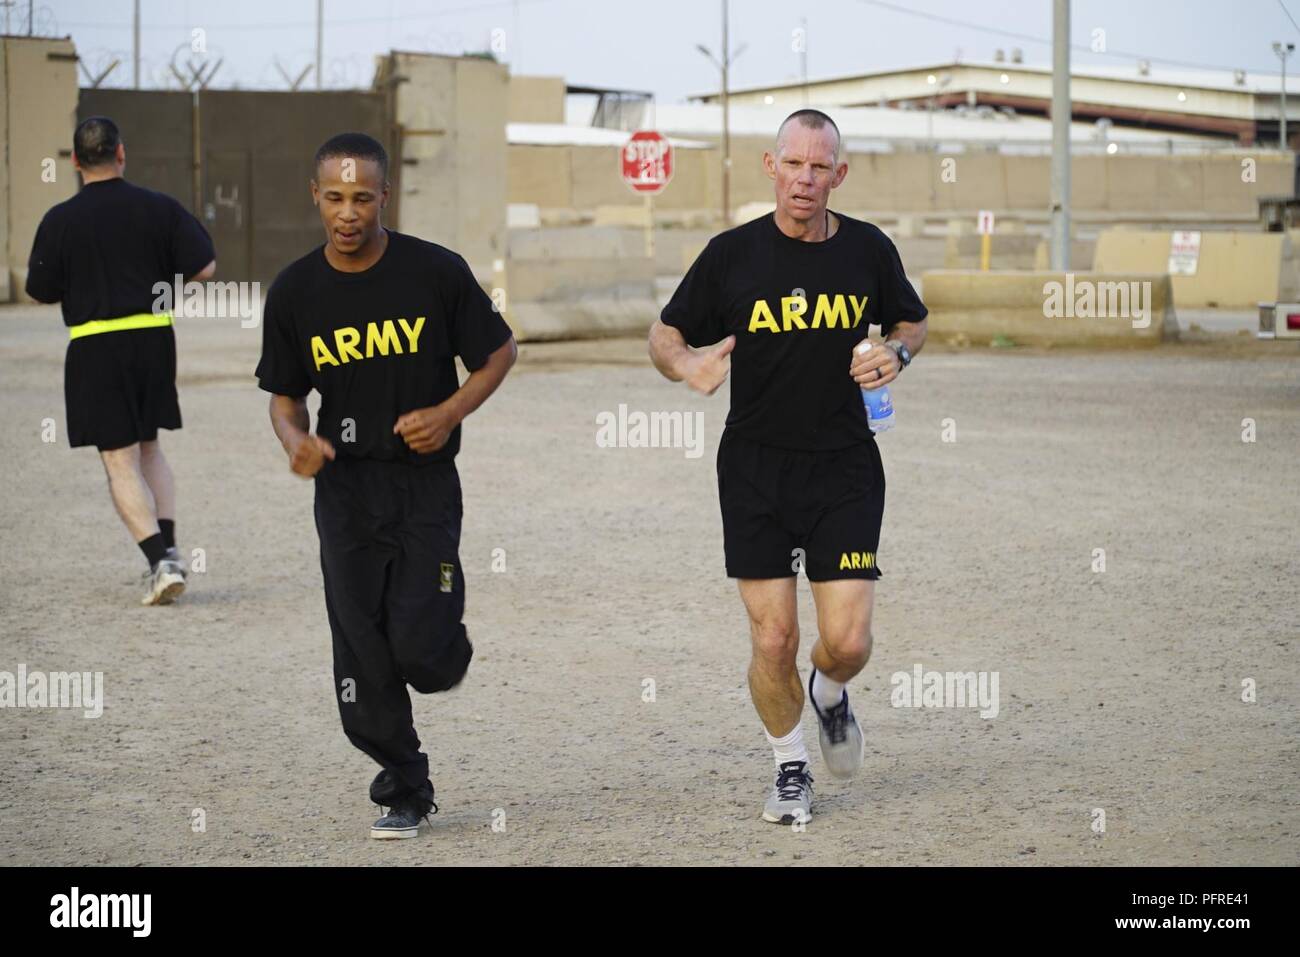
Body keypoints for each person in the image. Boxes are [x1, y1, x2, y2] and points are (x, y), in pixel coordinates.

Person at [648, 109, 929, 824]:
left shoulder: (867, 250)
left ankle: (830, 692)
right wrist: (686, 364)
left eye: (819, 166)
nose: (805, 179)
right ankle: (790, 768)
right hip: (754, 468)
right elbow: (665, 332)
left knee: (848, 640)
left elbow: (912, 320)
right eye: (793, 164)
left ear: (840, 173)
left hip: (844, 467)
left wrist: (894, 353)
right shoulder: (732, 255)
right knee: (773, 636)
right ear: (771, 167)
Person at [255, 132, 516, 839]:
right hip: (344, 491)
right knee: (361, 650)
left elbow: (499, 351)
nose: (348, 212)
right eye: (334, 197)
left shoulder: (433, 272)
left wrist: (450, 410)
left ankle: (441, 643)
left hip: (424, 483)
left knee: (424, 653)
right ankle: (403, 781)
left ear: (384, 197)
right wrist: (296, 441)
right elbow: (284, 398)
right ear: (315, 196)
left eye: (362, 197)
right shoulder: (295, 291)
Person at [26, 116, 216, 605]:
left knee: (118, 458)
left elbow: (40, 291)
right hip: (153, 338)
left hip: (96, 343)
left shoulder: (60, 220)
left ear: (74, 162)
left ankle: (160, 563)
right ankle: (169, 551)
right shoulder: (158, 207)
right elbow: (205, 266)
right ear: (121, 154)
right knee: (149, 446)